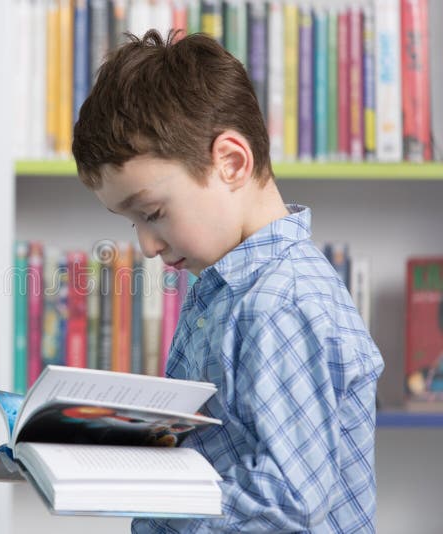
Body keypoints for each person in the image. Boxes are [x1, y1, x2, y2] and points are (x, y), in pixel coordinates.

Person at [71, 30, 385, 533]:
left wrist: (144, 492)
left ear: (232, 162)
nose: (147, 246)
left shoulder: (278, 302)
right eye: (131, 223)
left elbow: (288, 499)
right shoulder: (232, 290)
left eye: (152, 212)